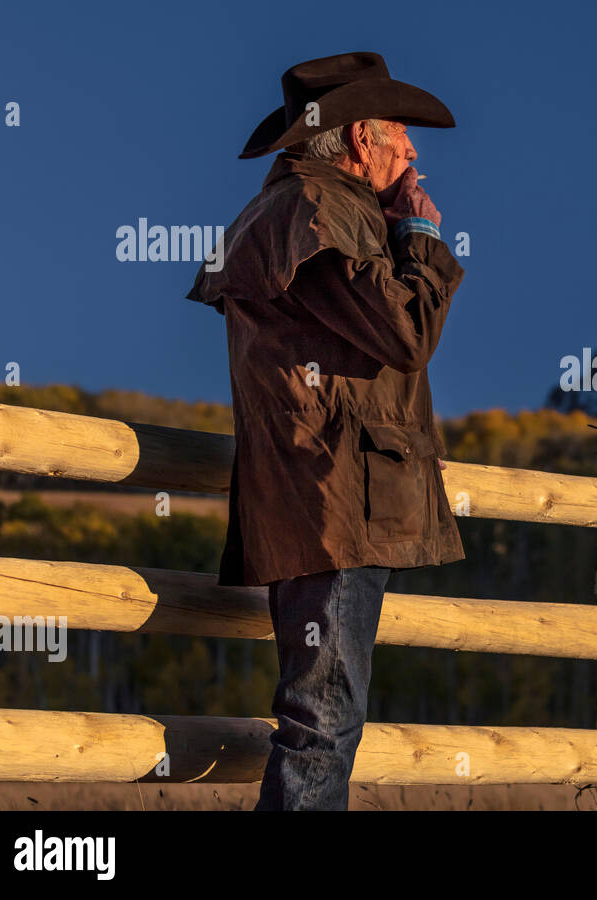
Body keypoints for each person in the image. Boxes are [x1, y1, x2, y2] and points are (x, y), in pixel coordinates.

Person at [186, 51, 466, 810]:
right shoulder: (320, 212)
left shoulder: (304, 208)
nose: (412, 152)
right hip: (335, 501)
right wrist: (421, 239)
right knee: (324, 723)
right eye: (398, 134)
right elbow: (405, 332)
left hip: (324, 496)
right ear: (354, 138)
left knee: (323, 720)